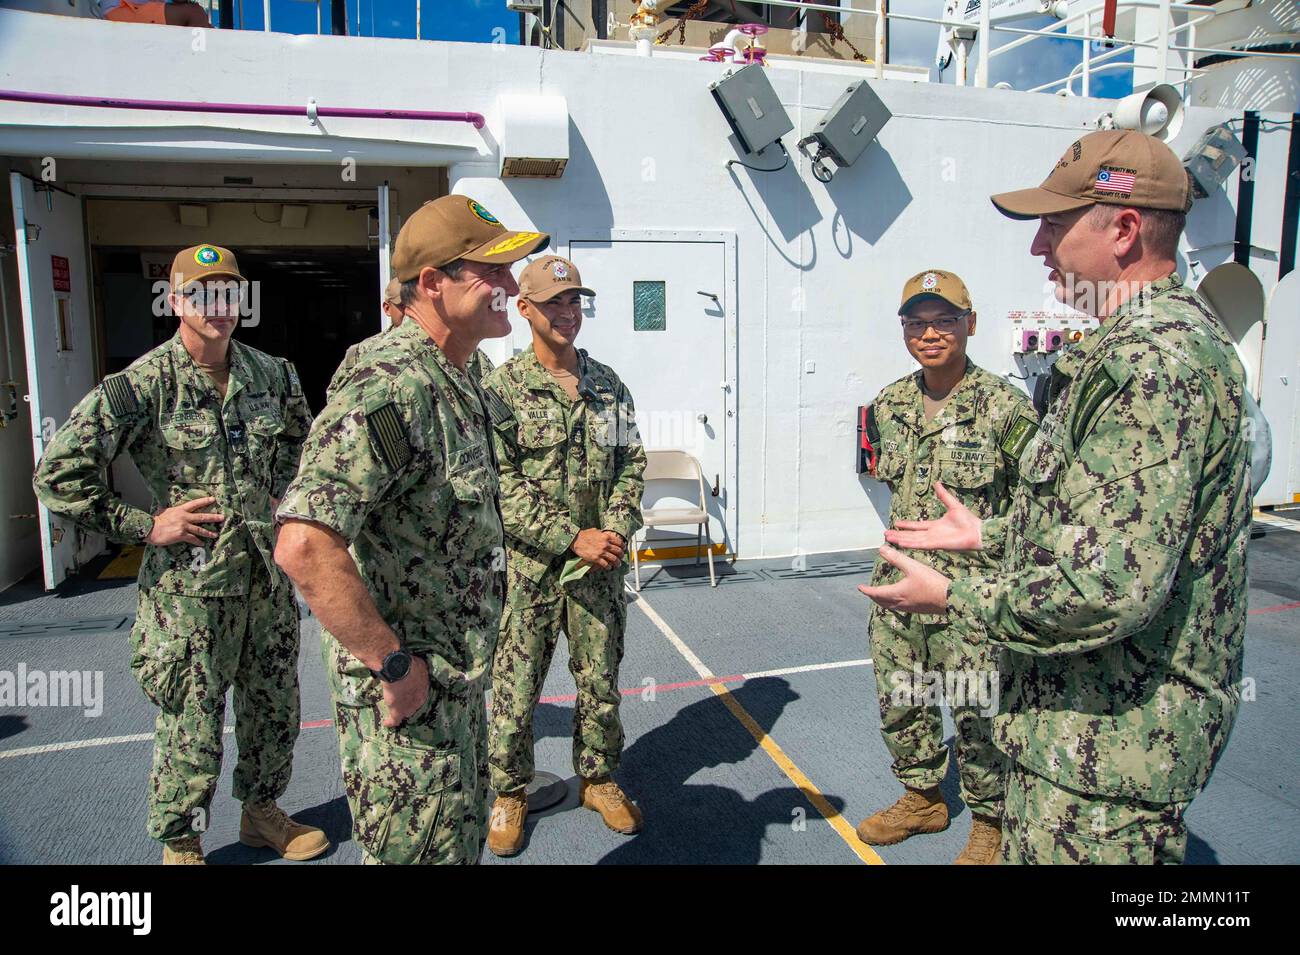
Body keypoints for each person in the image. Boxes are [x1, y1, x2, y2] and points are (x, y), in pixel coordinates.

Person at [860, 130, 1251, 864]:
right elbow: (1088, 523)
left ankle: (982, 816)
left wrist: (957, 595)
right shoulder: (1127, 349)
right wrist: (992, 534)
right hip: (1077, 730)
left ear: (1124, 230)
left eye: (1055, 225)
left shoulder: (1151, 365)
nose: (1039, 247)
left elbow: (1107, 586)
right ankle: (927, 796)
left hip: (1111, 748)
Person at [274, 196, 548, 864]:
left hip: (453, 688)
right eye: (492, 271)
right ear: (431, 282)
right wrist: (394, 665)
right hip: (411, 705)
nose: (511, 285)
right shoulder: (394, 386)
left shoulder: (456, 375)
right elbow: (304, 544)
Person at [33, 244, 325, 865]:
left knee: (274, 709)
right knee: (191, 720)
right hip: (190, 594)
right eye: (202, 294)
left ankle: (262, 812)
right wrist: (144, 525)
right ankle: (183, 838)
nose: (219, 307)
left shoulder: (274, 375)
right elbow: (57, 475)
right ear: (175, 301)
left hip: (266, 581)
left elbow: (302, 450)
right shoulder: (142, 385)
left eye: (229, 294)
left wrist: (285, 502)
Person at [856, 269, 1035, 865]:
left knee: (978, 708)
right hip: (899, 582)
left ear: (970, 324)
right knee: (902, 695)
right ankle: (922, 798)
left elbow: (1036, 507)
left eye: (944, 321)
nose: (929, 334)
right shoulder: (889, 404)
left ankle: (989, 821)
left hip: (970, 591)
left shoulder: (1006, 408)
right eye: (917, 322)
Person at [481, 255, 647, 857]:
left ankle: (598, 778)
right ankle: (509, 791)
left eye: (575, 301)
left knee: (600, 681)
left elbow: (631, 462)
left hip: (600, 568)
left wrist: (615, 530)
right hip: (529, 570)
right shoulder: (500, 390)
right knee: (515, 687)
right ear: (524, 308)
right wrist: (572, 536)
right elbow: (499, 482)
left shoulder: (608, 384)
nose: (568, 312)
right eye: (554, 302)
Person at [327, 278, 494, 401]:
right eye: (402, 305)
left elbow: (491, 394)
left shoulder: (458, 349)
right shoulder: (363, 351)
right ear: (387, 308)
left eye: (415, 303)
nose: (410, 310)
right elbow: (337, 396)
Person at [99, 0, 211, 27]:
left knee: (207, 26)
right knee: (195, 13)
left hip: (135, 8)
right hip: (122, 7)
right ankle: (197, 66)